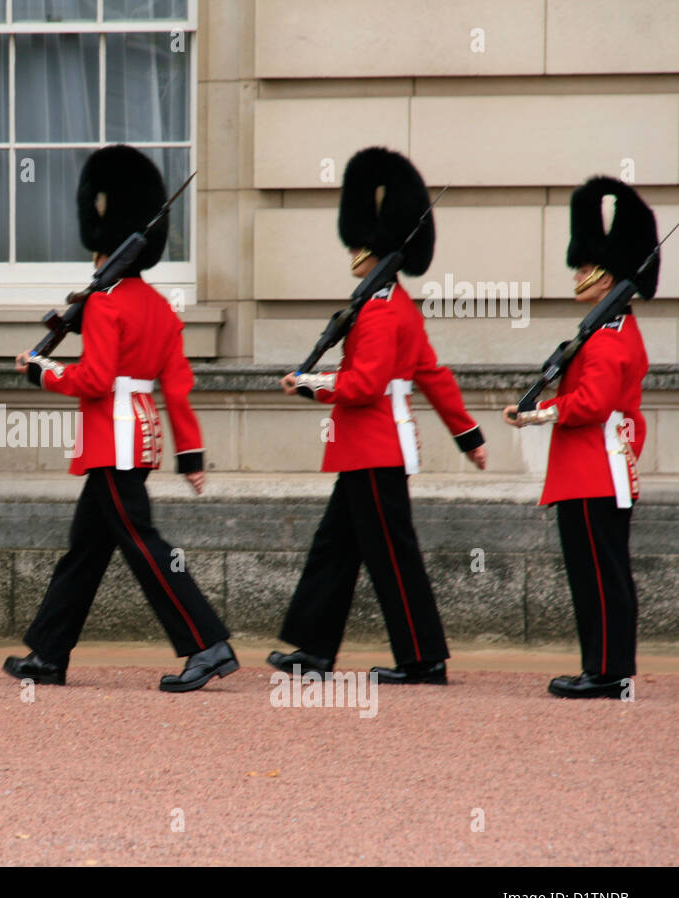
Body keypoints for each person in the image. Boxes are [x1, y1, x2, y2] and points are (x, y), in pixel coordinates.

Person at [4, 145, 237, 693]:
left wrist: (42, 371)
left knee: (146, 547)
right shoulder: (157, 306)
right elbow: (178, 389)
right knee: (85, 553)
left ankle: (208, 645)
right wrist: (191, 457)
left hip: (114, 440)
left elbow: (94, 380)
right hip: (142, 436)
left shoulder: (106, 303)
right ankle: (49, 654)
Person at [268, 146, 487, 685]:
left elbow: (363, 386)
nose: (354, 257)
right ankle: (315, 652)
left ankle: (422, 660)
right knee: (335, 548)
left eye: (361, 249)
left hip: (375, 445)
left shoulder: (383, 312)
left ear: (377, 250)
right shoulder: (388, 306)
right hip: (368, 447)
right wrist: (467, 434)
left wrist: (310, 384)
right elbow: (433, 374)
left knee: (391, 555)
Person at [502, 177, 656, 699]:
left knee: (600, 575)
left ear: (608, 274)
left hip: (594, 472)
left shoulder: (610, 339)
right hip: (590, 471)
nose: (577, 273)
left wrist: (536, 413)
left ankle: (608, 673)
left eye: (585, 266)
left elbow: (590, 405)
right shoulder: (604, 332)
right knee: (595, 576)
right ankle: (603, 667)